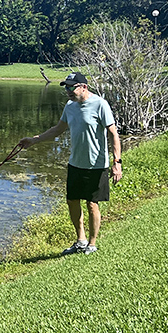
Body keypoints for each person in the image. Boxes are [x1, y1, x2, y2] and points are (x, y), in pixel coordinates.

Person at [19, 72, 122, 255]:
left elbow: (113, 134)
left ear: (83, 87)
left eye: (71, 87)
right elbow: (58, 129)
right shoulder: (70, 106)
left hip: (96, 164)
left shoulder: (100, 105)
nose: (67, 91)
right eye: (66, 87)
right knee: (72, 201)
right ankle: (80, 240)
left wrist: (117, 162)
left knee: (92, 204)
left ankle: (92, 243)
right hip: (75, 163)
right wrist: (34, 140)